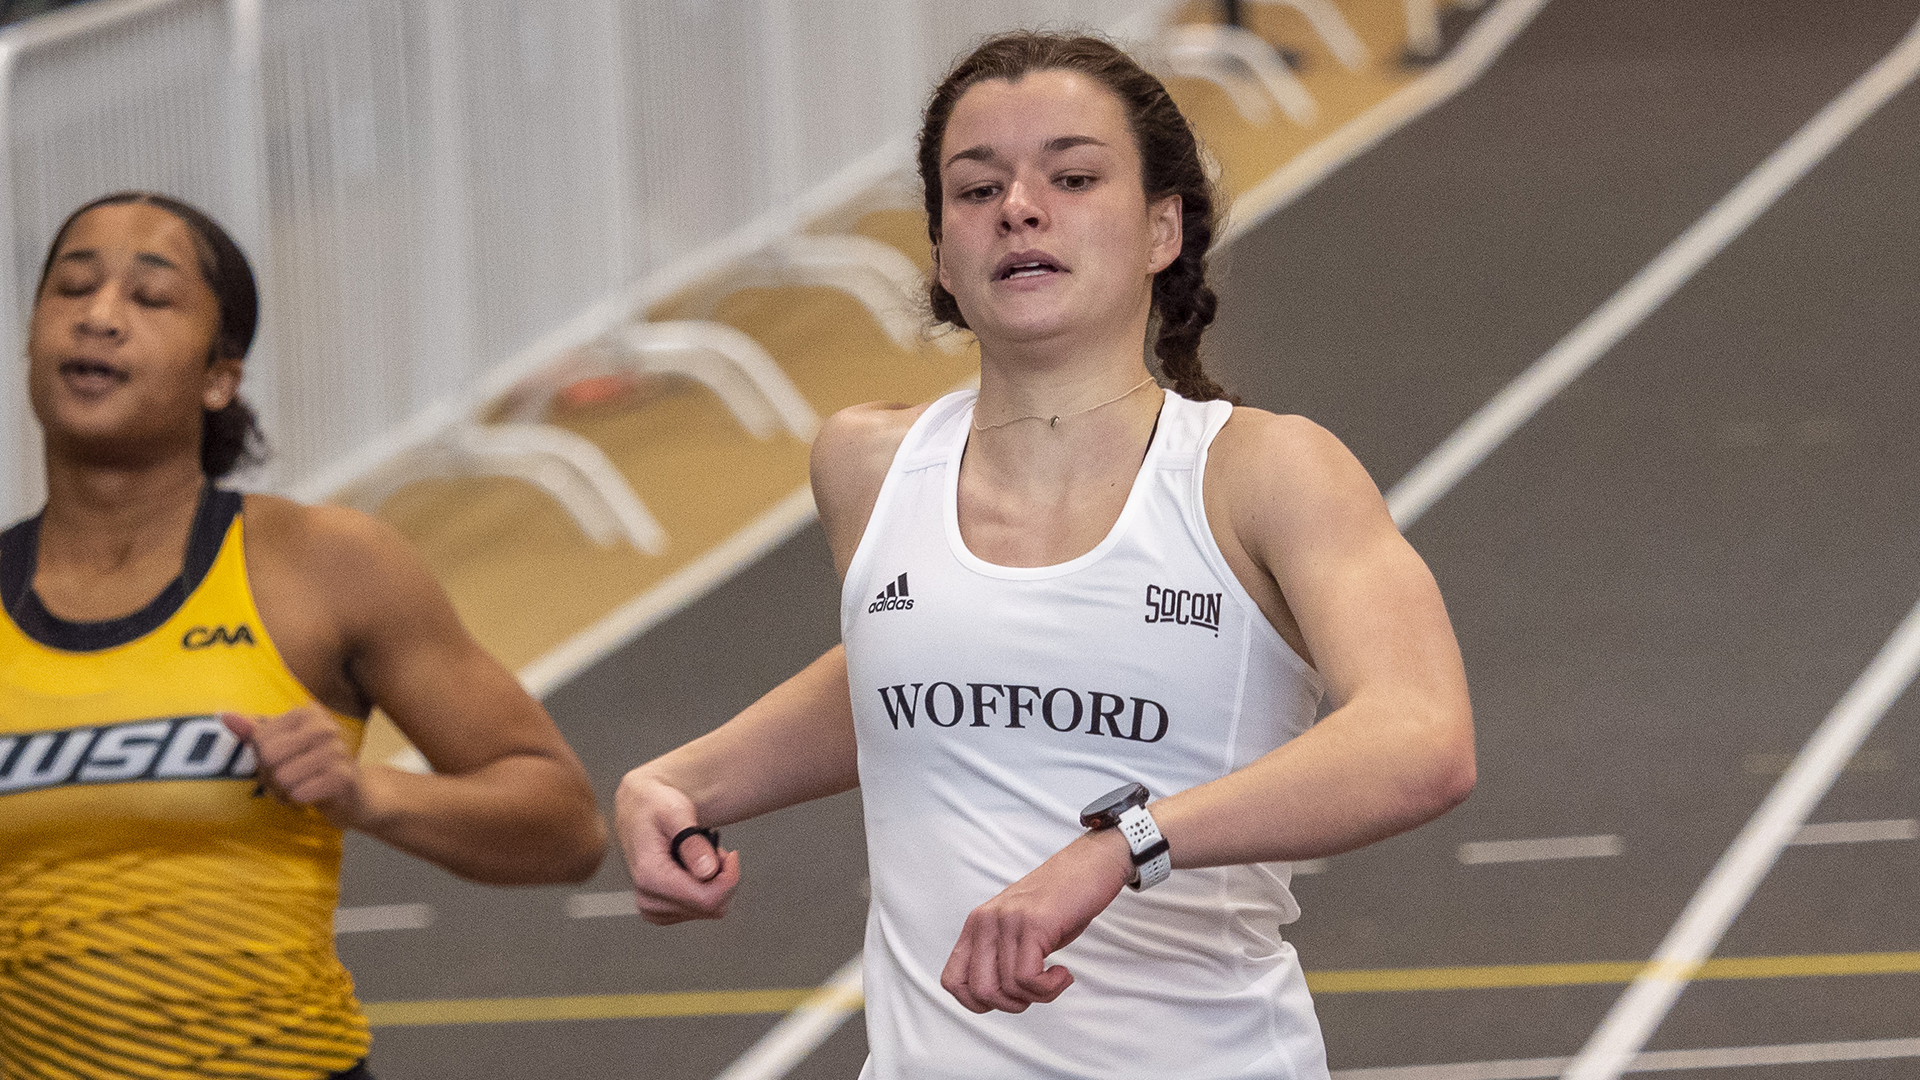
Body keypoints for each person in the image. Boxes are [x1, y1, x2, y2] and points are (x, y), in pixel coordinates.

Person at [616, 32, 1474, 1079]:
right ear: (940, 253)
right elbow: (929, 668)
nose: (1020, 207)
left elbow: (1421, 738)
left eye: (1072, 177)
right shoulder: (869, 465)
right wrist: (684, 781)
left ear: (1163, 228)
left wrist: (1124, 847)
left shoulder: (1265, 472)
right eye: (977, 190)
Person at [0, 191, 607, 1080]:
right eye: (73, 288)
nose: (98, 317)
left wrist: (364, 794)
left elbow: (565, 825)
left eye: (150, 298)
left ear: (221, 376)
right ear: (30, 340)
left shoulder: (325, 566)